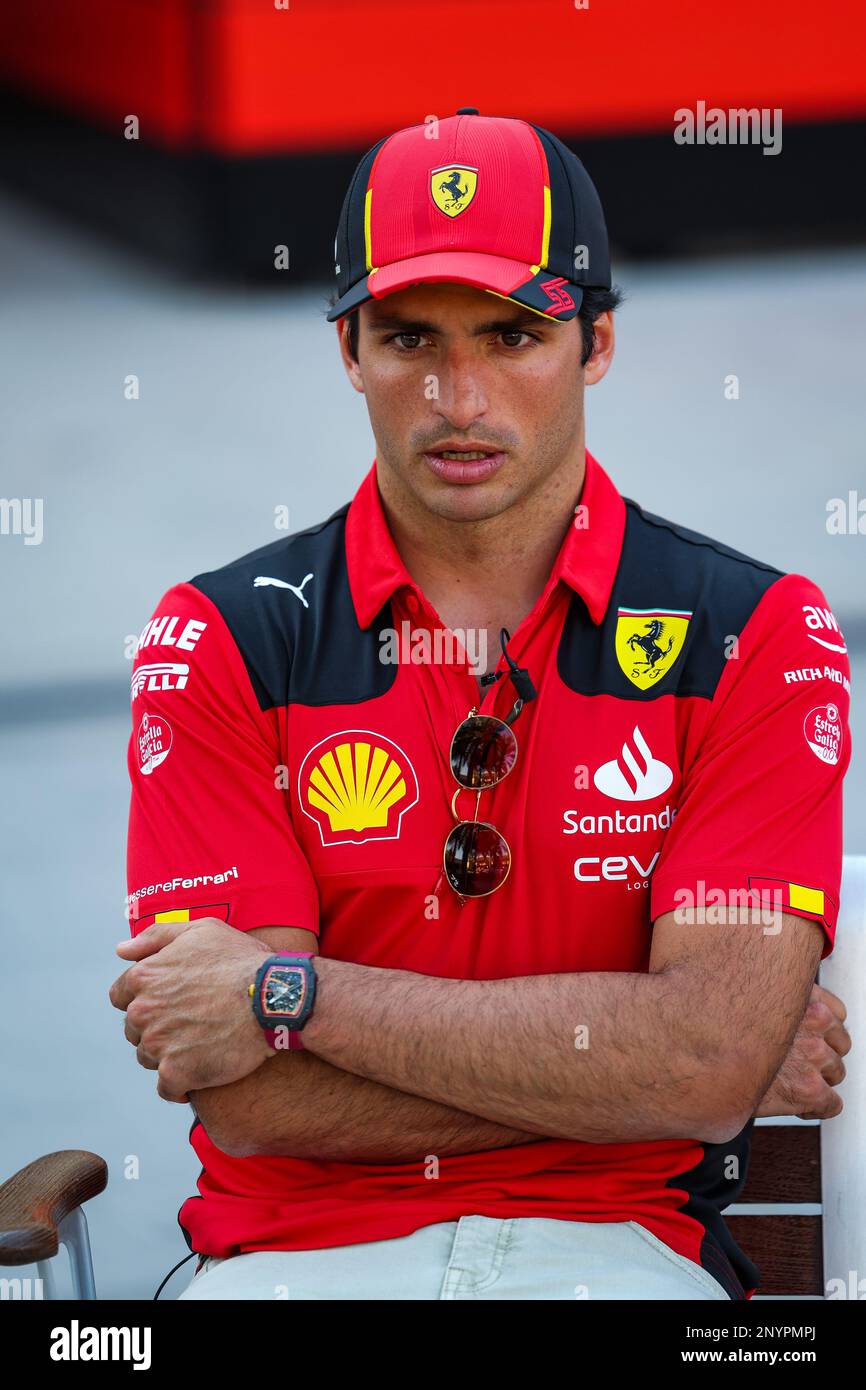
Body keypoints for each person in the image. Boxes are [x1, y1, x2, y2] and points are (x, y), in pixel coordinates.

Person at [110, 109, 852, 1301]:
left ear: (596, 340)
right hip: (296, 1261)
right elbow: (247, 1099)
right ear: (346, 349)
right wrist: (640, 1073)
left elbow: (705, 1065)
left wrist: (283, 993)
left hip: (621, 1257)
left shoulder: (756, 632)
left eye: (513, 334)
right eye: (409, 338)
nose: (459, 395)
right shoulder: (216, 638)